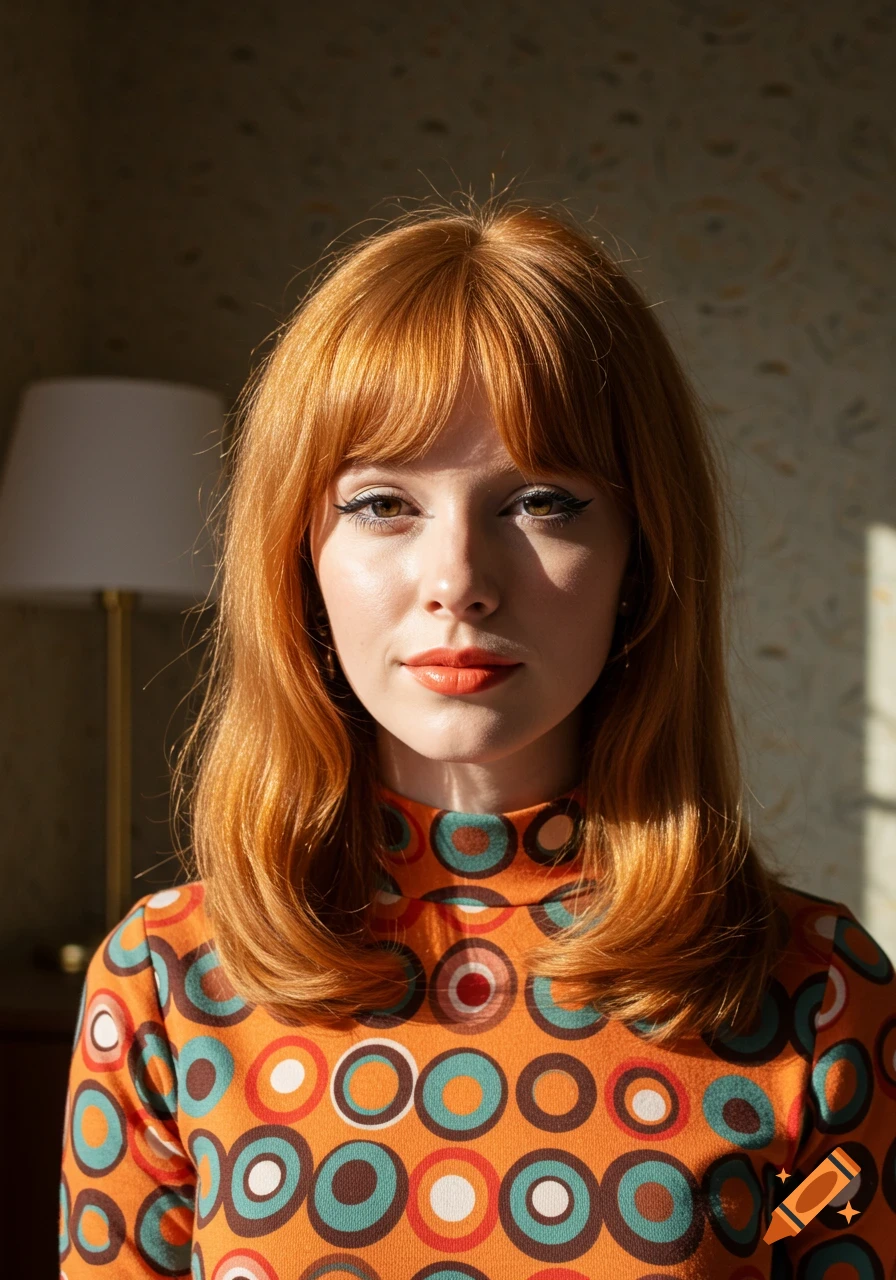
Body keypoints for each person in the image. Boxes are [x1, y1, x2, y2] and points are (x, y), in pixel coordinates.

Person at [59, 196, 896, 1278]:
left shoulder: (818, 992)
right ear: (296, 557)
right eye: (381, 504)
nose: (457, 580)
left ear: (641, 555)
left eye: (540, 500)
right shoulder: (163, 983)